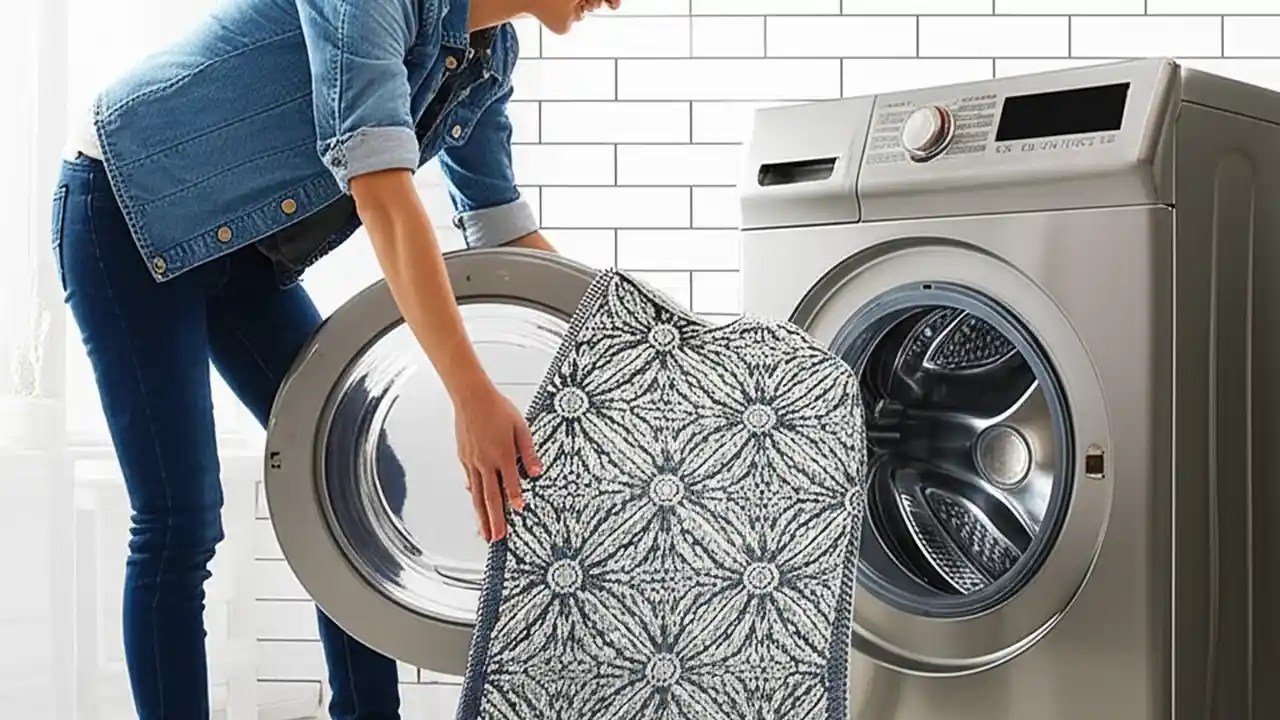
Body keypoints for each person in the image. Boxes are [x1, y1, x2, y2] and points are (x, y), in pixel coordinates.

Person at [49, 0, 620, 717]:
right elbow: (385, 199)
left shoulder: (487, 55)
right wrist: (471, 396)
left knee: (355, 480)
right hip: (128, 211)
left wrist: (643, 334)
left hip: (239, 250)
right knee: (180, 518)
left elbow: (501, 229)